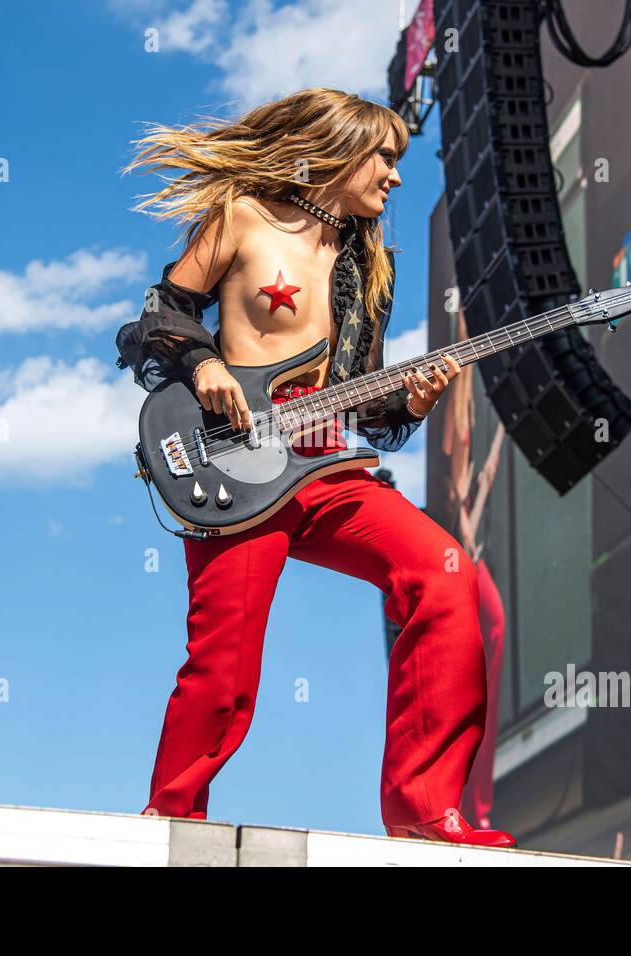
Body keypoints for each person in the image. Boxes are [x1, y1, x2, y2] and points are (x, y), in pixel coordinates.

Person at [115, 88, 516, 847]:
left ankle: (426, 812)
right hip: (235, 468)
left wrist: (412, 404)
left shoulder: (371, 263)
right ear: (336, 148)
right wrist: (202, 364)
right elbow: (157, 318)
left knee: (447, 576)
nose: (396, 177)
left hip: (331, 469)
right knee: (224, 668)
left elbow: (358, 401)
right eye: (385, 157)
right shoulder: (239, 215)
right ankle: (169, 821)